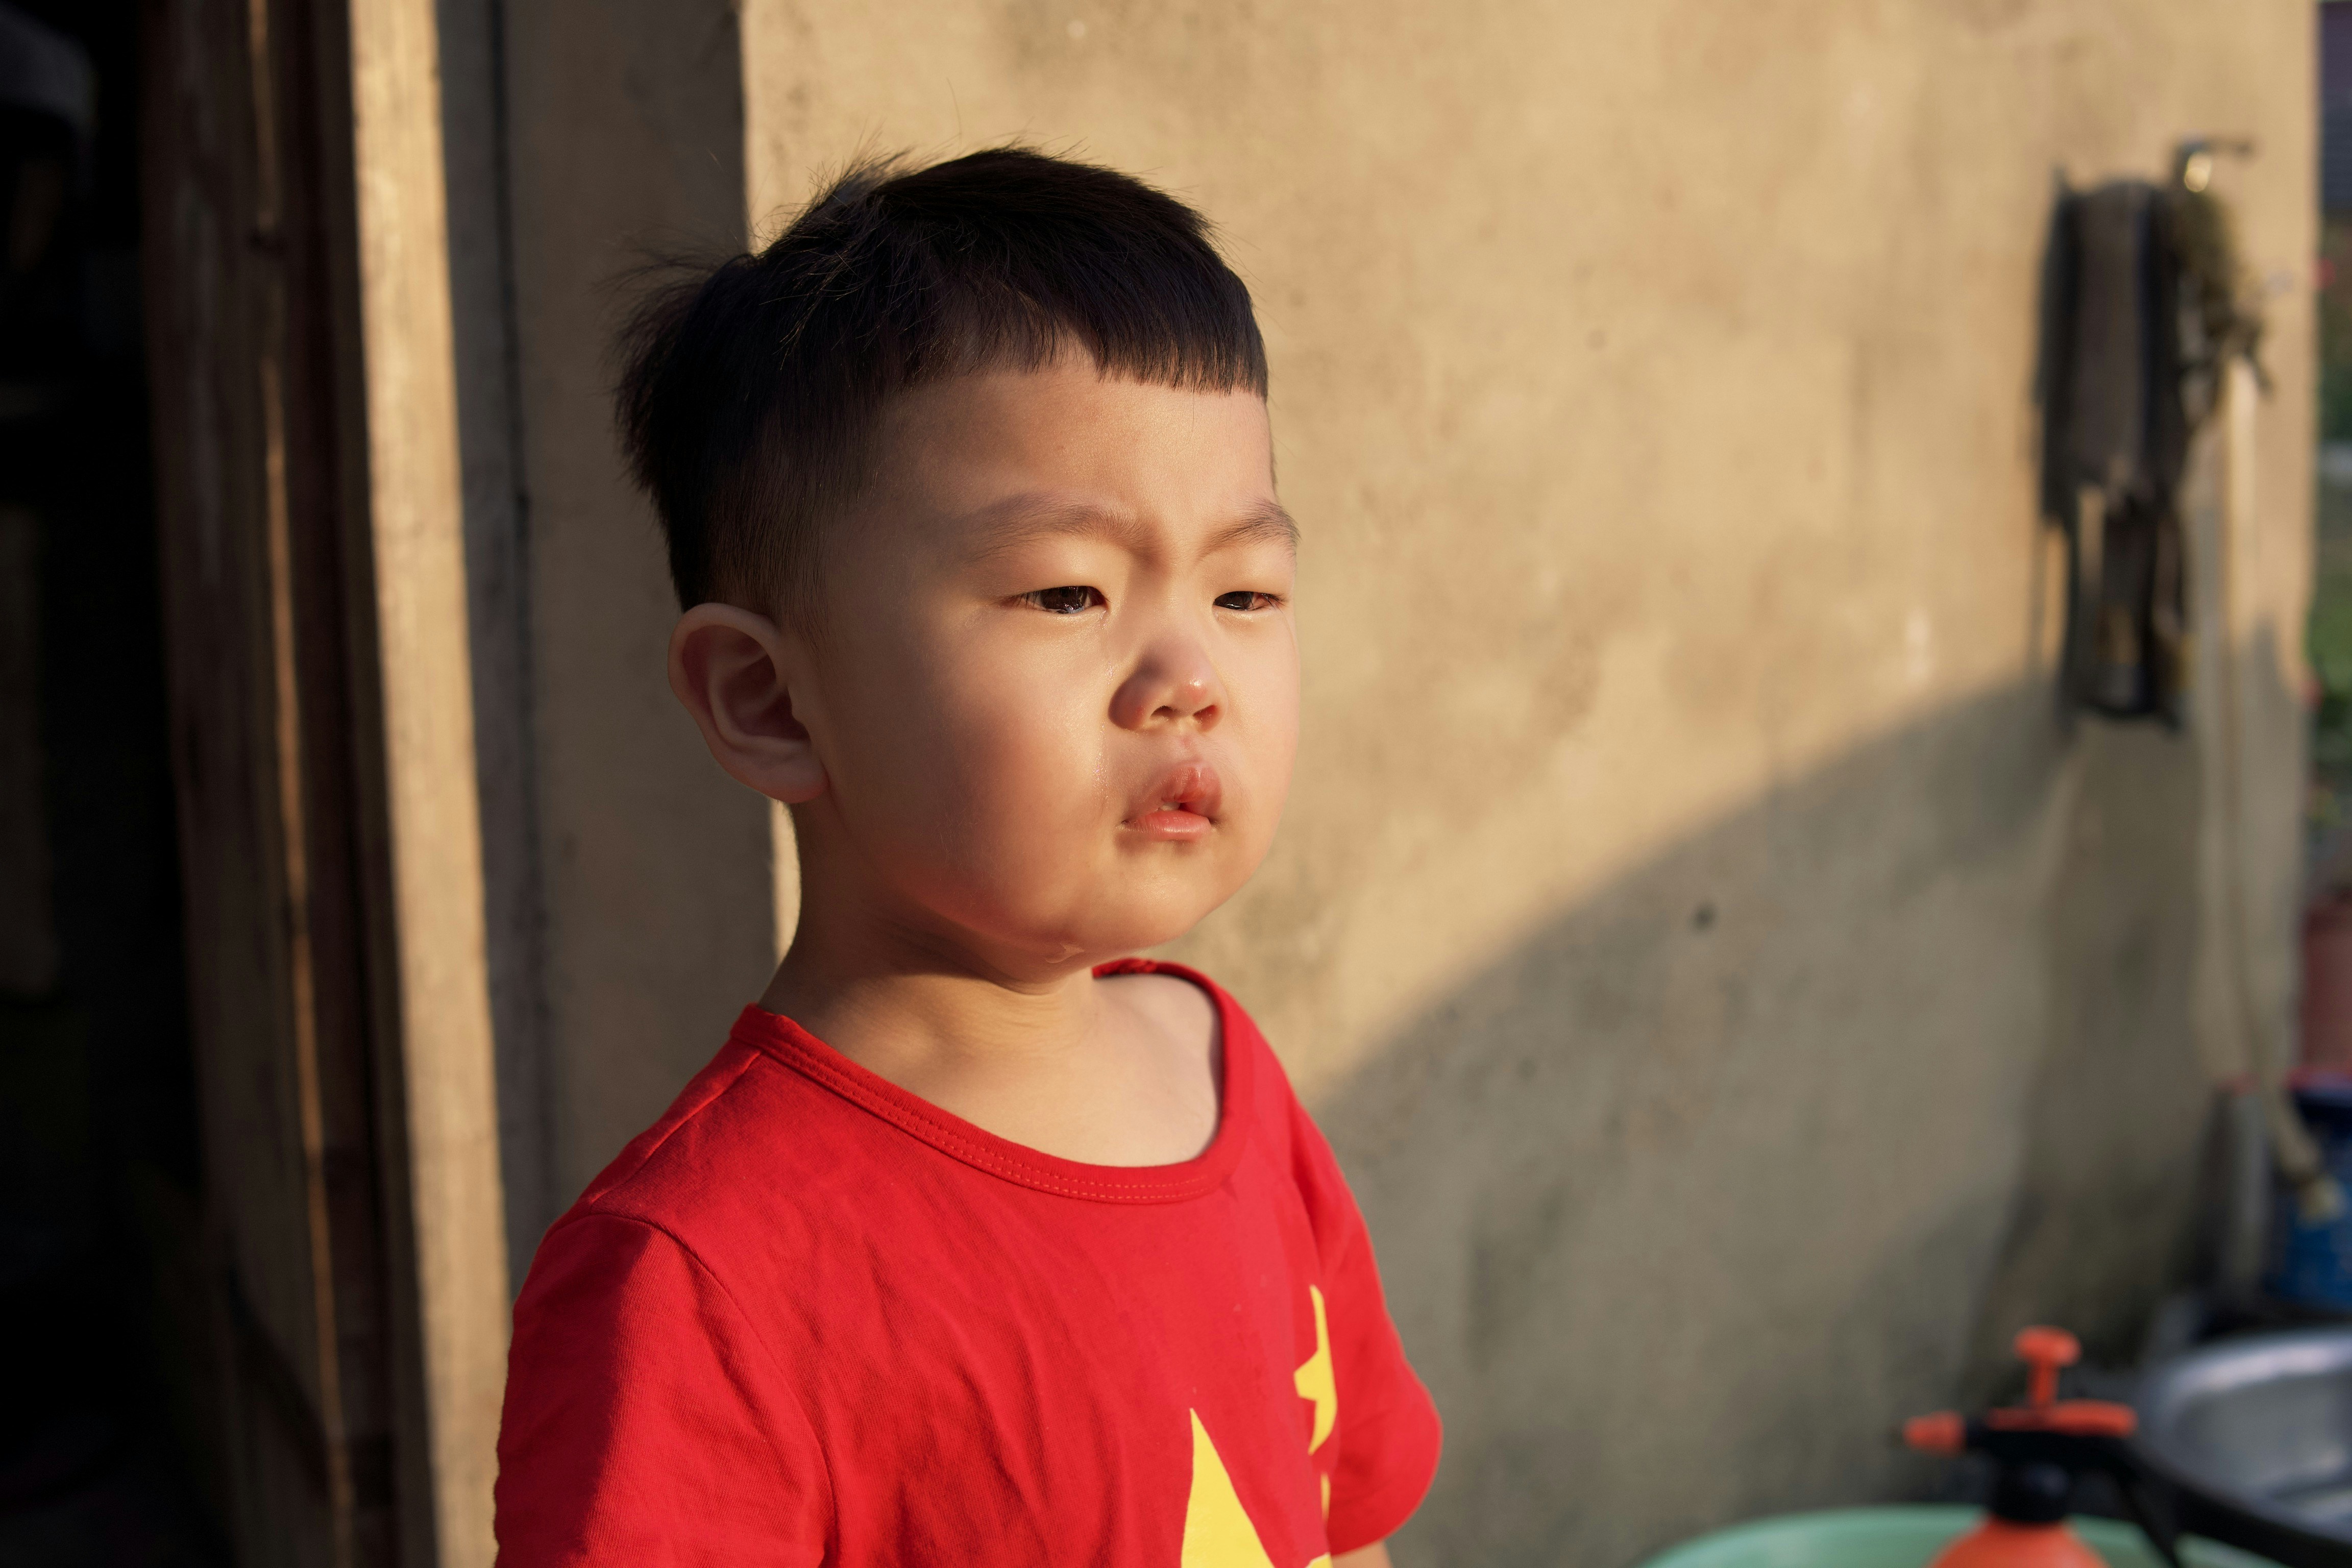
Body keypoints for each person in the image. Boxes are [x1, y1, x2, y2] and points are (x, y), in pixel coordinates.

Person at [493, 146, 1442, 1567]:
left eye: (1246, 592)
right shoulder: (698, 1282)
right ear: (770, 701)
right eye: (1068, 592)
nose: (1191, 677)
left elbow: (1342, 1523)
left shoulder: (1225, 1076)